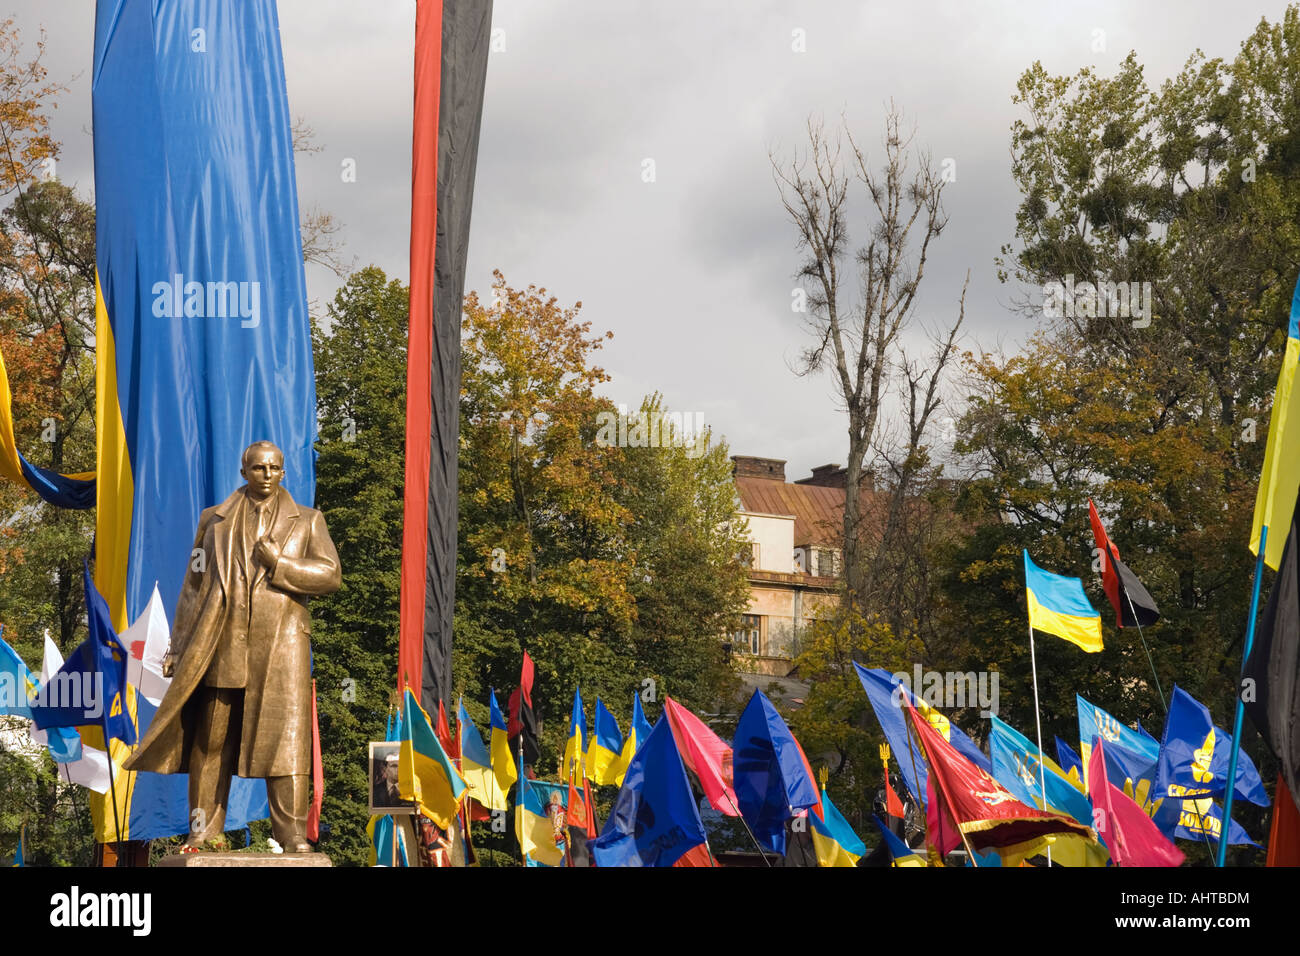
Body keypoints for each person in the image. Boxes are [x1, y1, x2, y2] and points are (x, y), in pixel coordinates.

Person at [124, 441, 341, 852]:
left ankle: (291, 835)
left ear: (283, 472)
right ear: (244, 472)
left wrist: (280, 563)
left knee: (287, 741)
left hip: (280, 645)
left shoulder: (308, 522)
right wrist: (178, 646)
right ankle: (202, 831)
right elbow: (193, 587)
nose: (266, 475)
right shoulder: (214, 521)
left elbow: (330, 575)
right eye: (258, 468)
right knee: (211, 740)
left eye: (274, 468)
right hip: (222, 640)